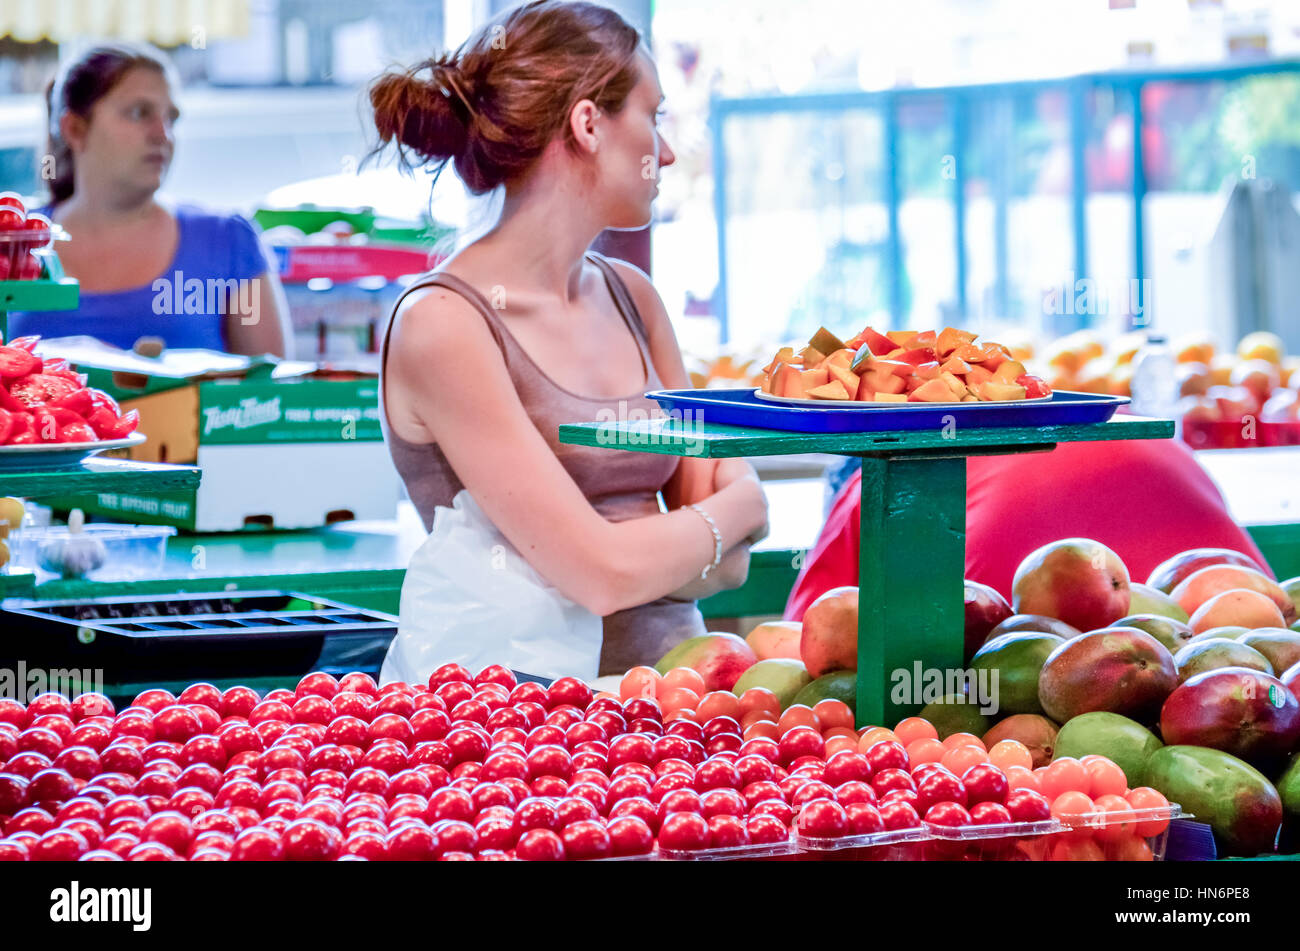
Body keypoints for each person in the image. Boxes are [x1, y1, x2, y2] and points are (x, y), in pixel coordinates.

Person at [370, 1, 769, 676]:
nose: (666, 151)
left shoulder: (634, 300)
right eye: (654, 116)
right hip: (523, 737)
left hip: (678, 711)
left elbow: (731, 566)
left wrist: (648, 551)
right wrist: (745, 503)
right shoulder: (443, 323)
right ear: (589, 124)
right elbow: (603, 575)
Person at [785, 439, 1273, 622]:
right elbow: (1270, 606)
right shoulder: (1150, 434)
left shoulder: (872, 480)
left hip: (1018, 703)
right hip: (1242, 665)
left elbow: (802, 641)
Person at [7, 42, 291, 356]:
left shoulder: (229, 241)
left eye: (171, 118)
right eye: (140, 113)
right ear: (75, 128)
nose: (163, 134)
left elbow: (272, 392)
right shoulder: (16, 244)